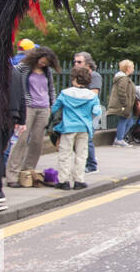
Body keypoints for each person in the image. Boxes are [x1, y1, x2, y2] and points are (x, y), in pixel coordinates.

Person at [6, 45, 60, 187]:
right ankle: (12, 175)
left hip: (44, 109)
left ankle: (28, 172)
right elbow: (13, 80)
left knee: (37, 141)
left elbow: (51, 88)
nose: (43, 64)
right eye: (42, 61)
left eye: (47, 62)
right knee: (21, 140)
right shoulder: (23, 67)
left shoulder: (47, 71)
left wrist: (52, 105)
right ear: (37, 56)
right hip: (27, 107)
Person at [52, 64, 101, 189]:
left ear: (74, 79)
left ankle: (63, 181)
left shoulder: (65, 93)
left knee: (65, 154)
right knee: (81, 155)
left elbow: (54, 108)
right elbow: (97, 112)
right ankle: (79, 180)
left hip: (68, 128)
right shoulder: (92, 96)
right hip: (84, 128)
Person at [73, 52, 103, 171]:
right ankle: (88, 160)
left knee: (86, 138)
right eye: (75, 62)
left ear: (88, 64)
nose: (76, 64)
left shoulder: (94, 76)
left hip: (91, 112)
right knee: (78, 138)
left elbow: (94, 94)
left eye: (79, 62)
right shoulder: (77, 76)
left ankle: (91, 165)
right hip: (80, 111)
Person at [107, 60, 139, 146]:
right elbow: (122, 92)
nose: (133, 69)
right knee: (124, 120)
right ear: (128, 68)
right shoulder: (123, 79)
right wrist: (126, 103)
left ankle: (119, 138)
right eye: (132, 67)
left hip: (126, 104)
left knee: (129, 122)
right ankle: (119, 139)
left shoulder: (124, 78)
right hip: (124, 105)